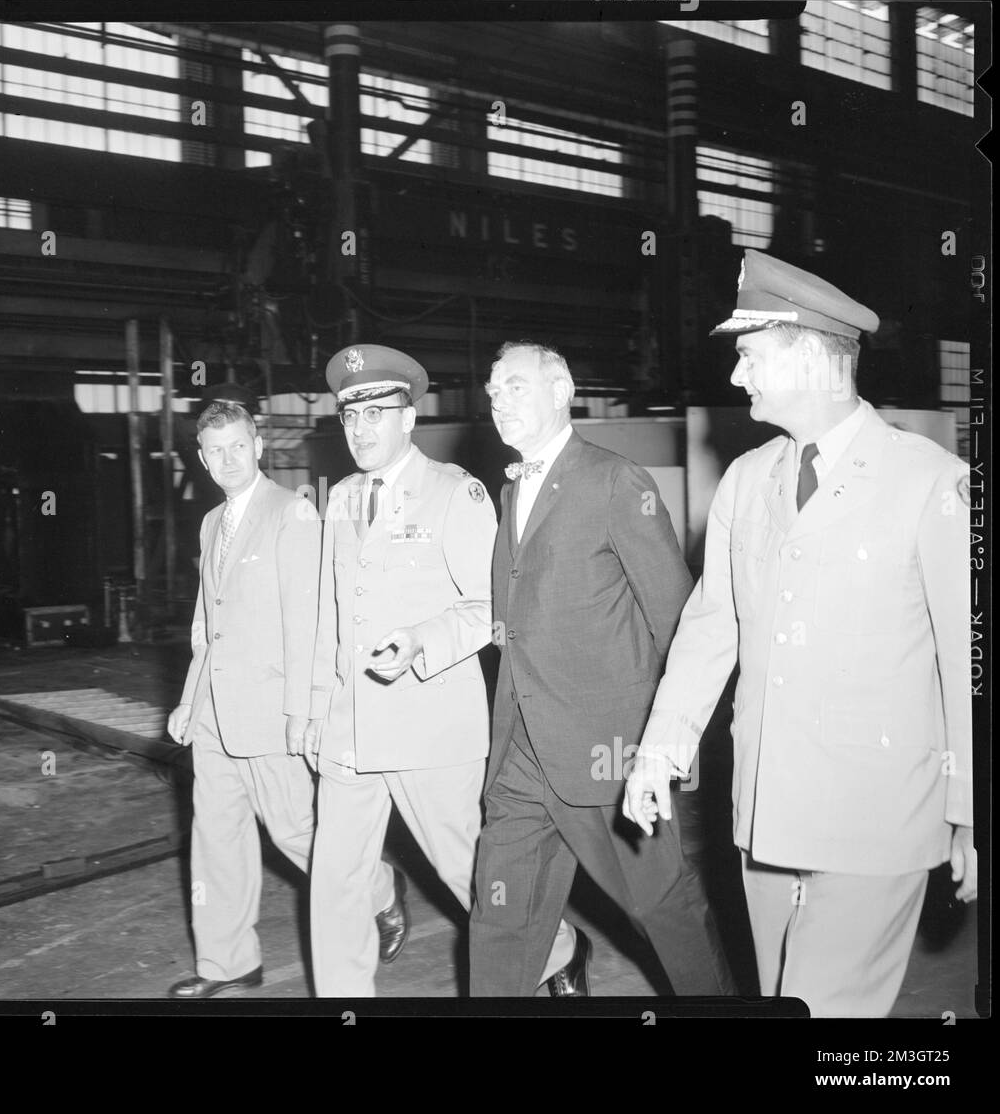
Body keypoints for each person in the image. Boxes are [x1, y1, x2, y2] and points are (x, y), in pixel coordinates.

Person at [623, 250, 974, 1017]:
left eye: (750, 355)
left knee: (821, 1013)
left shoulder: (927, 481)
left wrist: (970, 808)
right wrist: (660, 747)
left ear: (812, 355)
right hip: (766, 809)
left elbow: (967, 656)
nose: (736, 377)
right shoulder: (748, 480)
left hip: (878, 811)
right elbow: (712, 626)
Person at [468, 342, 734, 998]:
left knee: (663, 909)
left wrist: (661, 744)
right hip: (521, 751)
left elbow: (679, 621)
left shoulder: (615, 482)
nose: (498, 398)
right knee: (501, 916)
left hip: (605, 752)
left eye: (516, 386)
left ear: (562, 391)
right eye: (493, 389)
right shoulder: (512, 489)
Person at [304, 344, 497, 996]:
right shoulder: (342, 501)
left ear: (409, 418)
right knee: (335, 880)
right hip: (351, 730)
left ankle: (555, 953)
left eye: (375, 413)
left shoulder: (455, 493)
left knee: (467, 871)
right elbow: (331, 615)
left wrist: (423, 639)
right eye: (349, 415)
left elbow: (492, 605)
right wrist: (314, 709)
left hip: (429, 724)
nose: (359, 429)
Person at [163, 401, 323, 998]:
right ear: (202, 460)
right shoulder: (210, 524)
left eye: (238, 446)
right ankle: (227, 964)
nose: (228, 459)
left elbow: (310, 622)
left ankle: (379, 888)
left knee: (294, 831)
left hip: (270, 710)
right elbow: (208, 625)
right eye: (215, 451)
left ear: (257, 446)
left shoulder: (293, 514)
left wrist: (303, 711)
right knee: (216, 840)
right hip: (213, 716)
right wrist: (188, 701)